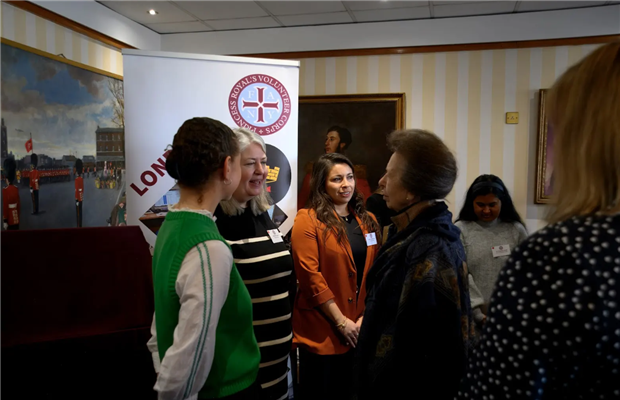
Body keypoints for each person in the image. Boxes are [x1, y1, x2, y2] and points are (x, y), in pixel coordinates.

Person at [457, 42, 620, 400]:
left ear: (585, 142)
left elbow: (499, 389)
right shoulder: (464, 231)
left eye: (555, 131)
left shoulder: (560, 253)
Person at [354, 129, 473, 400]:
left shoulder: (429, 246)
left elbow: (423, 345)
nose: (381, 182)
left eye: (390, 174)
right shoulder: (414, 233)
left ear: (411, 191)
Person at [146, 117, 260, 400]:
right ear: (227, 167)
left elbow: (162, 322)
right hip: (223, 391)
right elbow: (192, 349)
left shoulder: (171, 226)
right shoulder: (208, 246)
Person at [291, 152, 381, 400]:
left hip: (360, 330)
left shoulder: (369, 221)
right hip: (324, 331)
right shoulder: (307, 220)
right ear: (322, 184)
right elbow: (310, 277)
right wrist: (342, 322)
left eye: (350, 177)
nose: (346, 184)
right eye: (337, 179)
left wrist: (363, 318)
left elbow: (375, 272)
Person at [215, 128, 294, 400]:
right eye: (251, 163)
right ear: (228, 167)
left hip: (278, 359)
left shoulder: (261, 212)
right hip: (244, 364)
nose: (261, 171)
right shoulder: (216, 222)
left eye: (264, 162)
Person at [455, 174, 528, 330]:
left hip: (510, 314)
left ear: (502, 202)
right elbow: (461, 273)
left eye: (492, 205)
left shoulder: (516, 230)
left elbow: (526, 272)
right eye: (480, 205)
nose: (486, 210)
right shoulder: (461, 230)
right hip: (473, 317)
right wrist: (478, 314)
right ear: (471, 203)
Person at [298, 126, 372, 209]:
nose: (327, 143)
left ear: (342, 144)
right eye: (326, 139)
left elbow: (365, 207)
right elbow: (301, 203)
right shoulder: (312, 176)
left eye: (332, 139)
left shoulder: (359, 178)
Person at [2, 158, 20, 230]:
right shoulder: (16, 189)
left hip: (9, 219)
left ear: (7, 179)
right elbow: (18, 206)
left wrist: (5, 220)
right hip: (16, 218)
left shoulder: (5, 190)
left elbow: (5, 207)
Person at [75, 159, 84, 227]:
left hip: (78, 198)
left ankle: (78, 225)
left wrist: (76, 199)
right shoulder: (81, 179)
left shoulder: (77, 179)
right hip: (81, 197)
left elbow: (77, 190)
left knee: (78, 212)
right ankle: (80, 224)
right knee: (80, 212)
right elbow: (82, 189)